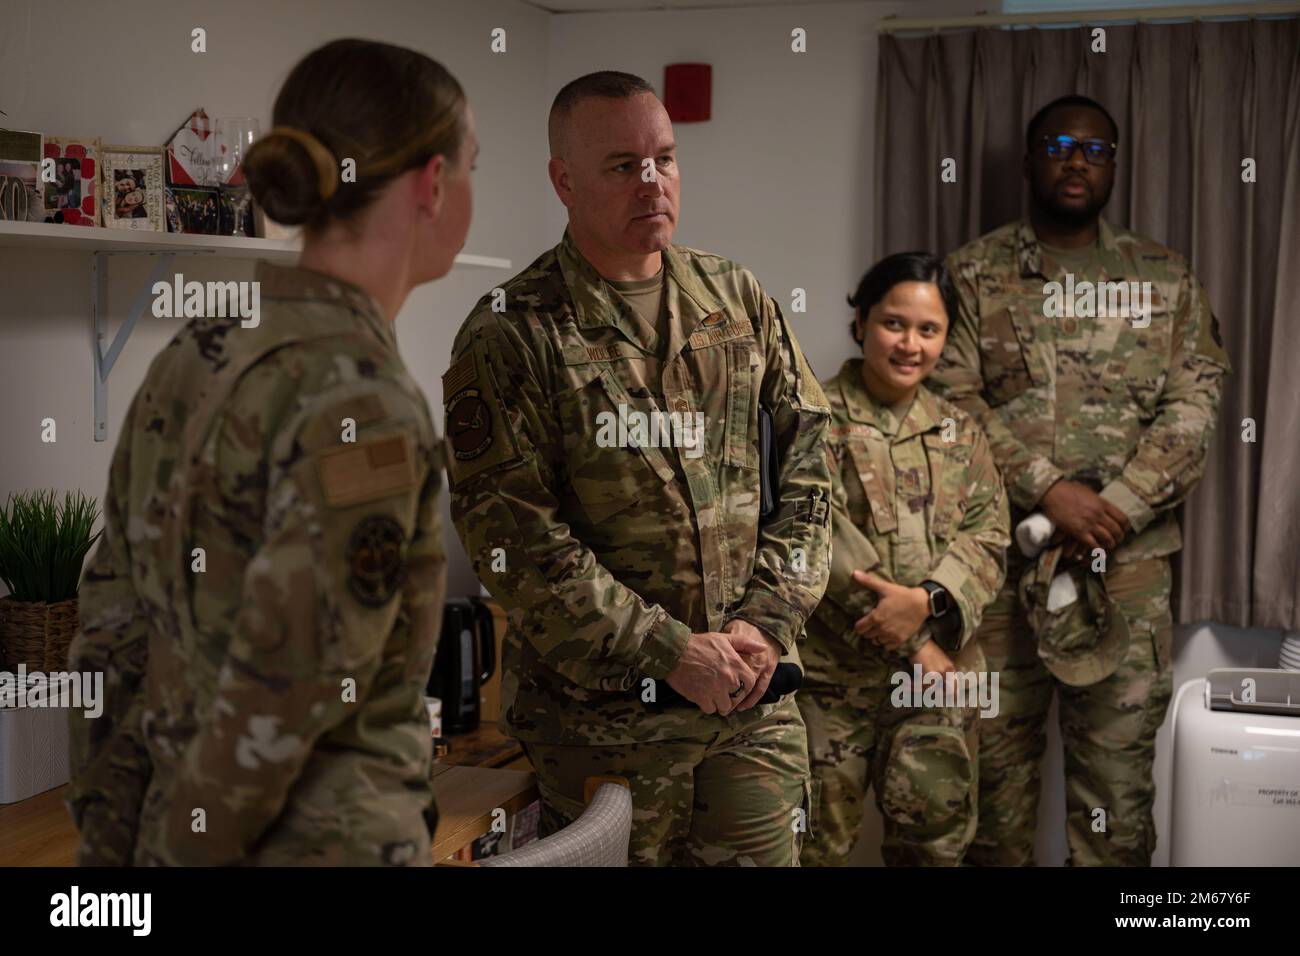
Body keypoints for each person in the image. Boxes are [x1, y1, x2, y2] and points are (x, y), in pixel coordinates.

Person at [65, 37, 475, 866]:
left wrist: (116, 858)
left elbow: (109, 635)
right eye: (472, 166)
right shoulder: (366, 404)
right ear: (434, 185)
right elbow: (288, 691)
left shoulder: (194, 353)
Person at [444, 71, 833, 866]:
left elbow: (813, 465)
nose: (652, 181)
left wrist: (767, 619)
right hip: (610, 730)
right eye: (623, 165)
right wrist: (672, 651)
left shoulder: (737, 299)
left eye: (665, 157)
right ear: (564, 180)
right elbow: (518, 545)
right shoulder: (511, 334)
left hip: (749, 712)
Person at [929, 94, 1230, 866]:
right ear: (1030, 160)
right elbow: (947, 400)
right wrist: (1046, 488)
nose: (1076, 161)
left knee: (1116, 798)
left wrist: (1118, 509)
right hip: (996, 571)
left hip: (1123, 573)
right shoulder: (972, 272)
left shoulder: (1163, 277)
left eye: (1096, 150)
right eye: (1059, 145)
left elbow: (1195, 405)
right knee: (989, 788)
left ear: (1114, 166)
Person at [798, 253, 1009, 866]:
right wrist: (916, 639)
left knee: (935, 847)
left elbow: (988, 532)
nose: (910, 344)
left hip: (935, 689)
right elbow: (815, 533)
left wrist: (930, 598)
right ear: (859, 322)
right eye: (894, 323)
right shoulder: (811, 416)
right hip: (830, 682)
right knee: (814, 848)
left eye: (928, 329)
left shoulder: (962, 432)